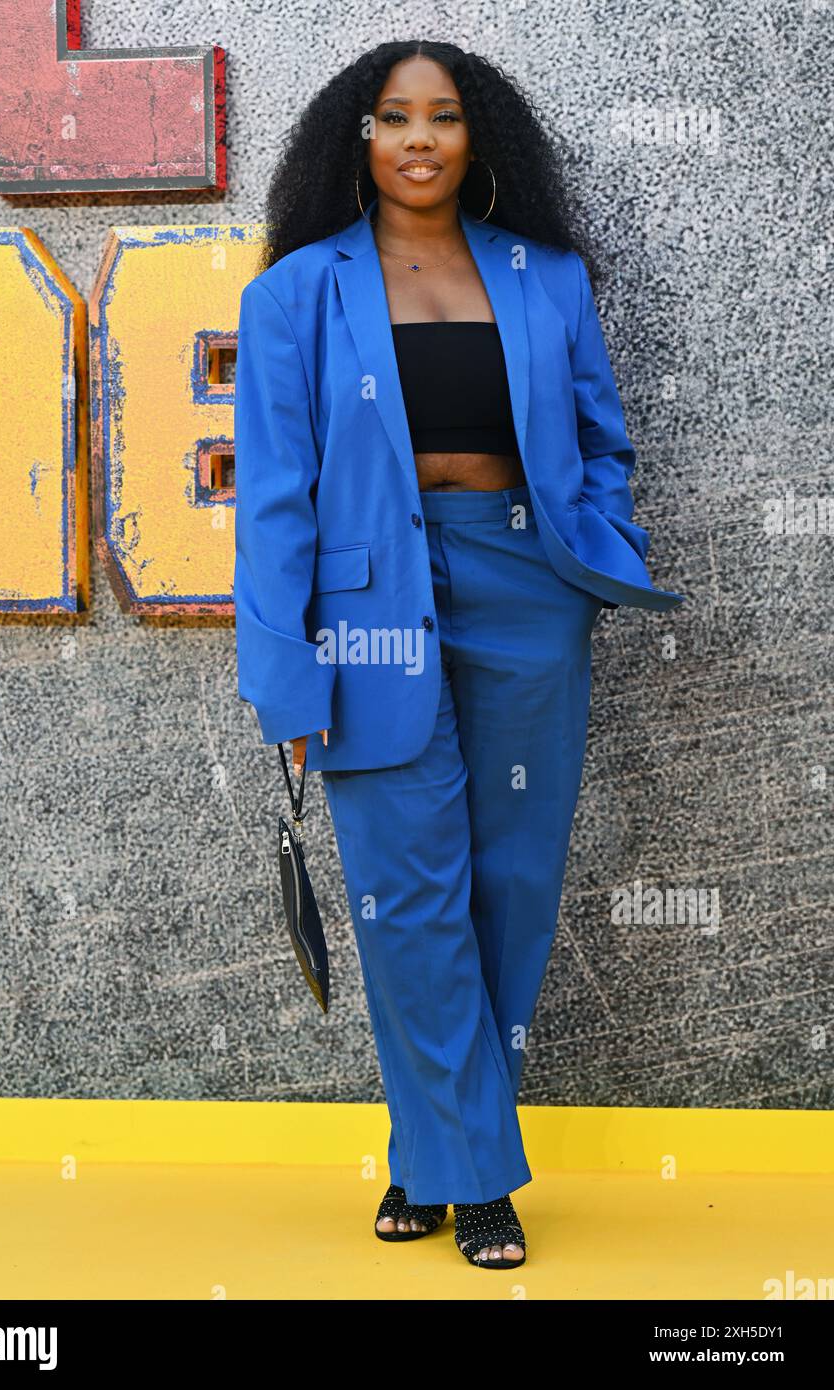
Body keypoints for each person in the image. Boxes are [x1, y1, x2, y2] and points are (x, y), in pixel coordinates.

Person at [233, 39, 686, 1269]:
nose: (418, 139)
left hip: (527, 587)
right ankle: (477, 1178)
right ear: (357, 137)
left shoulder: (547, 278)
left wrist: (597, 546)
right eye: (393, 118)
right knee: (405, 886)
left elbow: (603, 439)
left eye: (441, 118)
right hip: (368, 601)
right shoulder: (292, 294)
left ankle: (427, 1151)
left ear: (476, 136)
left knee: (511, 879)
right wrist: (281, 667)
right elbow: (275, 494)